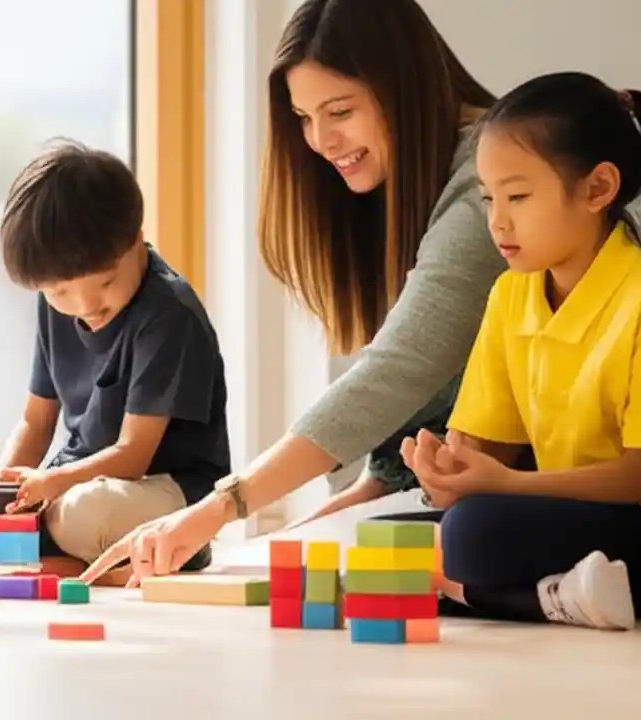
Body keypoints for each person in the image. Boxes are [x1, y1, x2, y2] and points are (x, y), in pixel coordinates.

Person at [82, 0, 507, 583]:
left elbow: (399, 370)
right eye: (304, 117)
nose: (321, 140)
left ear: (403, 86)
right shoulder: (414, 180)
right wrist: (282, 540)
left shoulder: (488, 184)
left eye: (340, 111)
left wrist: (220, 507)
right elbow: (408, 437)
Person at [399, 72, 641, 629]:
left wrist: (506, 485)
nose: (497, 221)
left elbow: (638, 479)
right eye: (489, 198)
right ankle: (554, 596)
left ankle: (503, 595)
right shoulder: (511, 295)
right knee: (398, 538)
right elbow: (484, 449)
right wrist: (447, 468)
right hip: (579, 519)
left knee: (471, 536)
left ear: (598, 189)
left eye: (518, 197)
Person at [0, 142, 229, 576]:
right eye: (60, 292)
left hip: (164, 490)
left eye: (106, 282)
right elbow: (36, 421)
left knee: (86, 514)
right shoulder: (55, 307)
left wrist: (52, 483)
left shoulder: (168, 314)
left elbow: (133, 455)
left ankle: (162, 551)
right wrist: (4, 486)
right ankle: (43, 552)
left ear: (136, 239)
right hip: (72, 483)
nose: (86, 305)